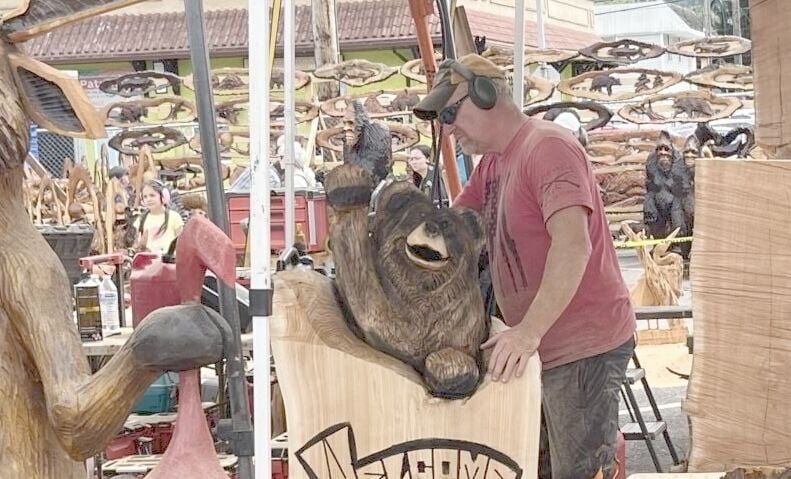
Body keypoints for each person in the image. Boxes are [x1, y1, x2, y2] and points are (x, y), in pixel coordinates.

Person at [413, 54, 636, 479]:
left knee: (579, 472)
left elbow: (573, 246)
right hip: (537, 348)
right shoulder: (494, 164)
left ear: (484, 94)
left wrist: (529, 331)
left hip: (581, 347)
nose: (447, 127)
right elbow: (454, 229)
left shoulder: (547, 147)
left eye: (450, 112)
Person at [134, 180, 185, 254]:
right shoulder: (141, 220)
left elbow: (182, 243)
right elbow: (137, 244)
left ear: (163, 196)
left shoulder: (174, 217)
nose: (149, 199)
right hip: (148, 261)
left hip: (169, 261)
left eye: (152, 195)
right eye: (145, 197)